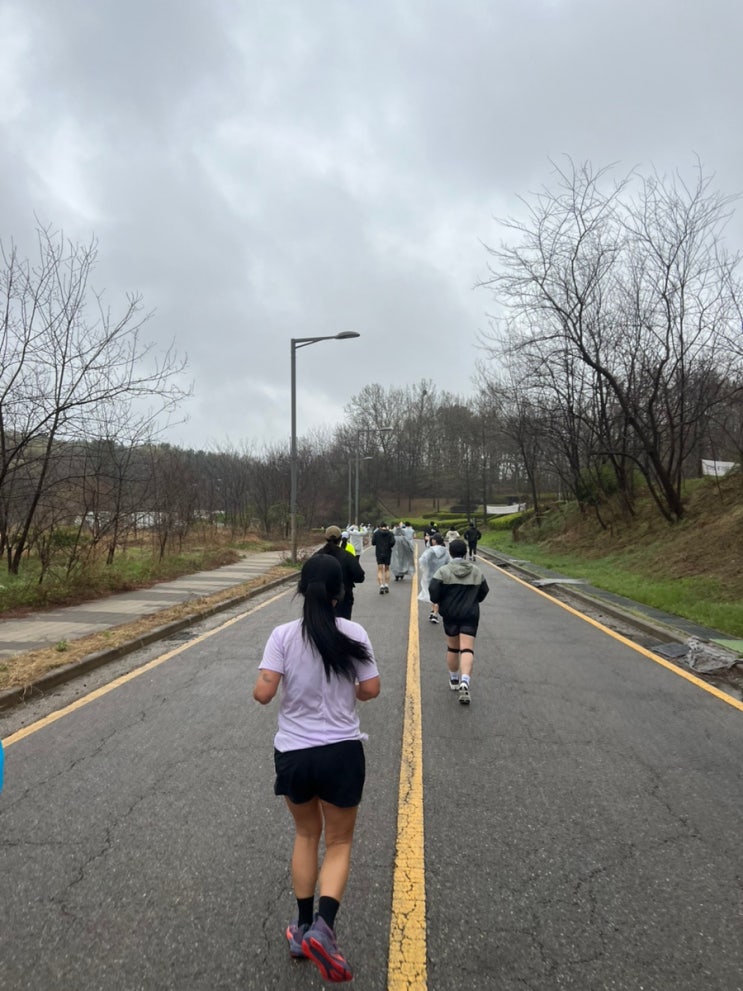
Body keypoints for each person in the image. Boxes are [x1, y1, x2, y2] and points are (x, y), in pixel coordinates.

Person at [253, 554, 380, 982]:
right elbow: (371, 689)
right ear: (339, 593)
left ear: (302, 588)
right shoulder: (353, 633)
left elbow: (263, 694)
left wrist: (271, 681)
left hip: (294, 752)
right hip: (341, 751)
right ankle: (324, 929)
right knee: (339, 842)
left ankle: (301, 928)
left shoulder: (282, 636)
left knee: (307, 834)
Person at [428, 538, 489, 705]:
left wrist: (439, 601)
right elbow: (484, 591)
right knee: (467, 648)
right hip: (470, 614)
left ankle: (454, 680)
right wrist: (473, 600)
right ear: (465, 552)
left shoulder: (444, 571)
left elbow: (433, 591)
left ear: (450, 552)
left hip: (451, 614)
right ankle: (465, 681)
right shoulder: (476, 571)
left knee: (453, 648)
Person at [315, 525, 365, 620]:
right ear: (340, 538)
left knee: (322, 626)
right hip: (344, 598)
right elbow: (360, 576)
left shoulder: (316, 556)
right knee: (343, 628)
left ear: (325, 538)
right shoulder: (347, 556)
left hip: (320, 598)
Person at [417, 532, 449, 623]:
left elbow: (422, 560)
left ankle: (434, 614)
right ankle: (434, 612)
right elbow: (449, 562)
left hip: (430, 575)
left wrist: (425, 568)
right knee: (439, 594)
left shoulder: (430, 550)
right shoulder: (445, 551)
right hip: (442, 576)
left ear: (434, 540)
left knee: (432, 594)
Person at [371, 521, 395, 593]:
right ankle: (386, 585)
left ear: (380, 527)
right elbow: (393, 542)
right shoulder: (390, 533)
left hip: (379, 553)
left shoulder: (376, 533)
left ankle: (381, 586)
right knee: (387, 569)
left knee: (380, 570)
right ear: (386, 526)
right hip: (387, 552)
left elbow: (373, 543)